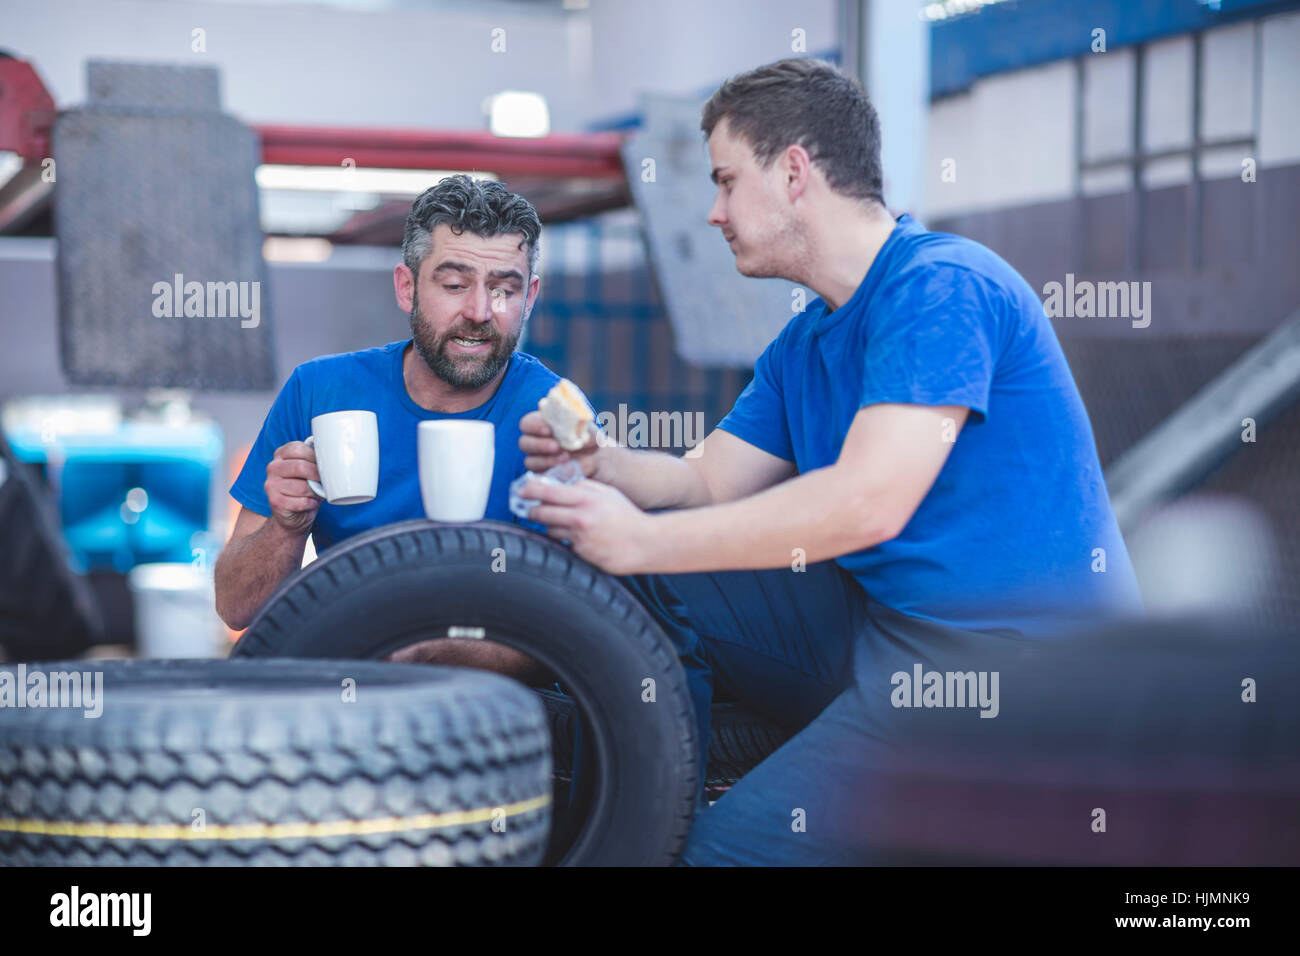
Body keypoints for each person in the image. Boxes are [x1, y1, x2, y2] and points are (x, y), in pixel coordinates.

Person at [518, 57, 1145, 865]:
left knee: (721, 860)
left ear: (793, 171)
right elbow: (706, 480)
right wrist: (606, 464)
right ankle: (652, 796)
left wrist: (641, 539)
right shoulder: (804, 341)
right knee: (648, 574)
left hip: (1016, 682)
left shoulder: (941, 288)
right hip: (885, 629)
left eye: (724, 181)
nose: (712, 213)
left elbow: (865, 504)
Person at [214, 175, 574, 679]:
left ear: (530, 296)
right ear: (407, 288)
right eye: (454, 285)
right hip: (349, 689)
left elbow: (578, 633)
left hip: (492, 712)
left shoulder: (554, 412)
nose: (478, 312)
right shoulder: (319, 391)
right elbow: (236, 605)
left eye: (504, 289)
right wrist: (287, 527)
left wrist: (423, 648)